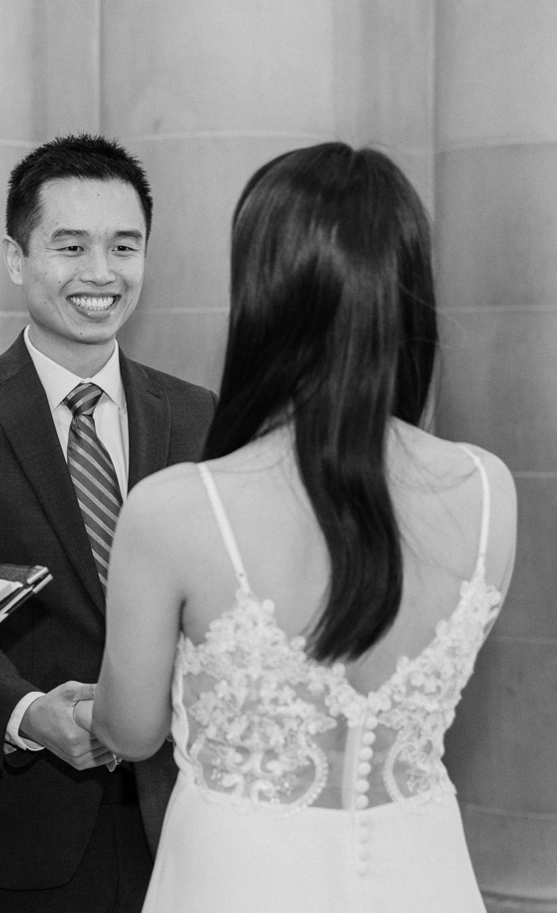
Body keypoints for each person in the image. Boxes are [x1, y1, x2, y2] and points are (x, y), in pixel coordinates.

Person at [91, 143, 518, 911]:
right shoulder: (488, 489)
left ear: (262, 295)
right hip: (420, 869)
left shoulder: (176, 508)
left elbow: (130, 731)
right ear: (405, 289)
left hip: (240, 874)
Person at [0, 134, 216, 910]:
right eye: (71, 246)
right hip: (15, 819)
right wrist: (28, 713)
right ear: (16, 257)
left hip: (183, 817)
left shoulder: (197, 414)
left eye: (124, 246)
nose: (101, 273)